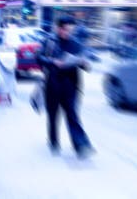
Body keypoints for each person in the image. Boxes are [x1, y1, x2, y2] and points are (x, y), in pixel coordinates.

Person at [37, 18, 94, 159]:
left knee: (72, 115)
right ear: (58, 28)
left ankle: (81, 145)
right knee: (53, 115)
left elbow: (86, 65)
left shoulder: (76, 44)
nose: (68, 32)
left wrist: (84, 63)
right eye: (65, 29)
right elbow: (38, 58)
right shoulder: (49, 41)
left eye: (70, 30)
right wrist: (53, 62)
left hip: (70, 85)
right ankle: (53, 141)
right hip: (52, 84)